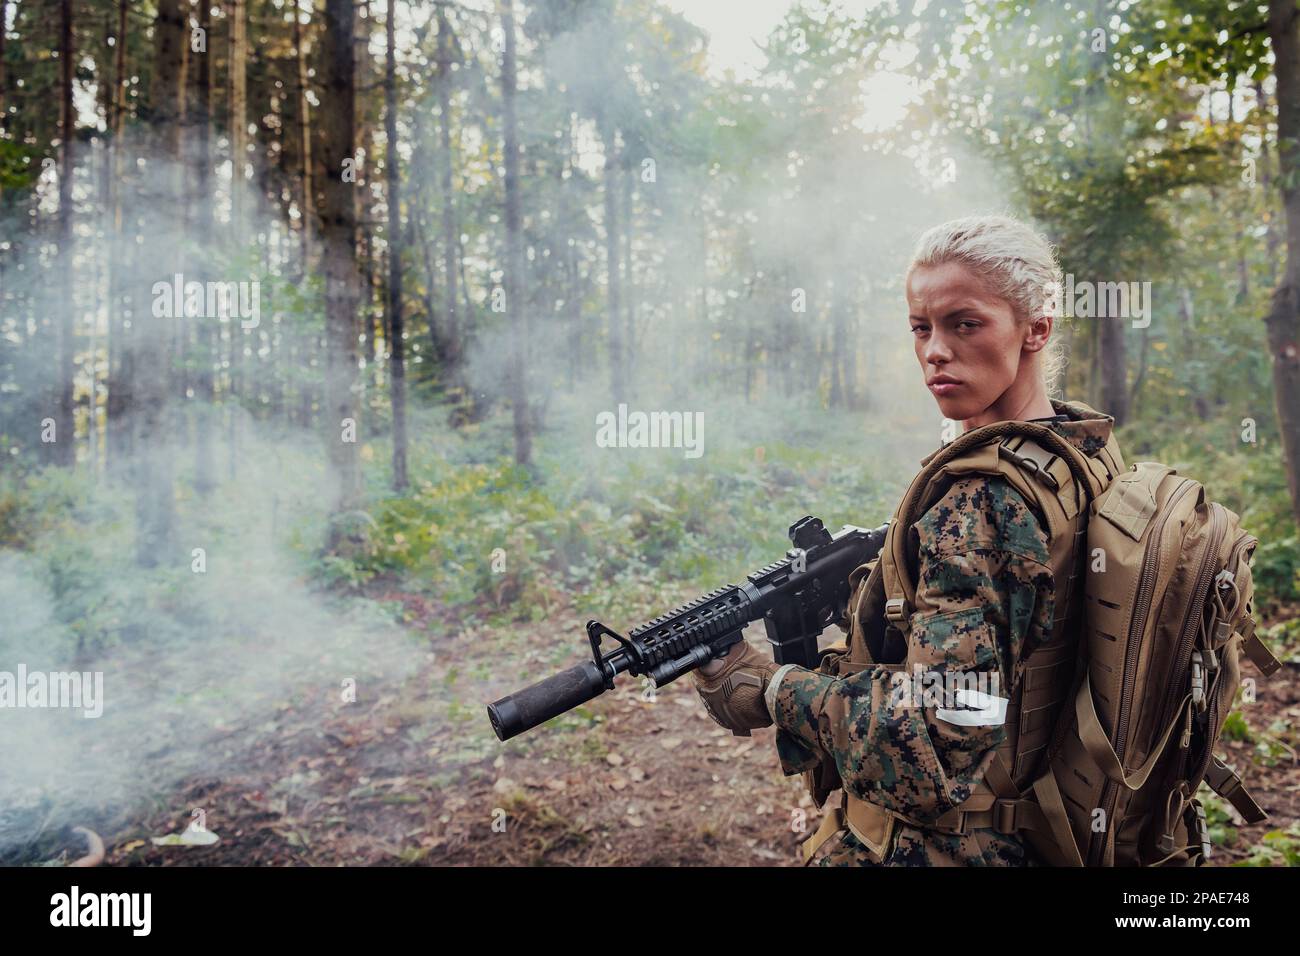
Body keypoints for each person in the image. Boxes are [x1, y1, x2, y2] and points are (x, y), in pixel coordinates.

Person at [692, 214, 1126, 866]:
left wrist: (776, 688)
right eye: (921, 328)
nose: (934, 350)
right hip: (1064, 812)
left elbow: (932, 749)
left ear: (1036, 328)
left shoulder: (981, 501)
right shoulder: (1077, 450)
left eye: (965, 324)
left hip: (977, 839)